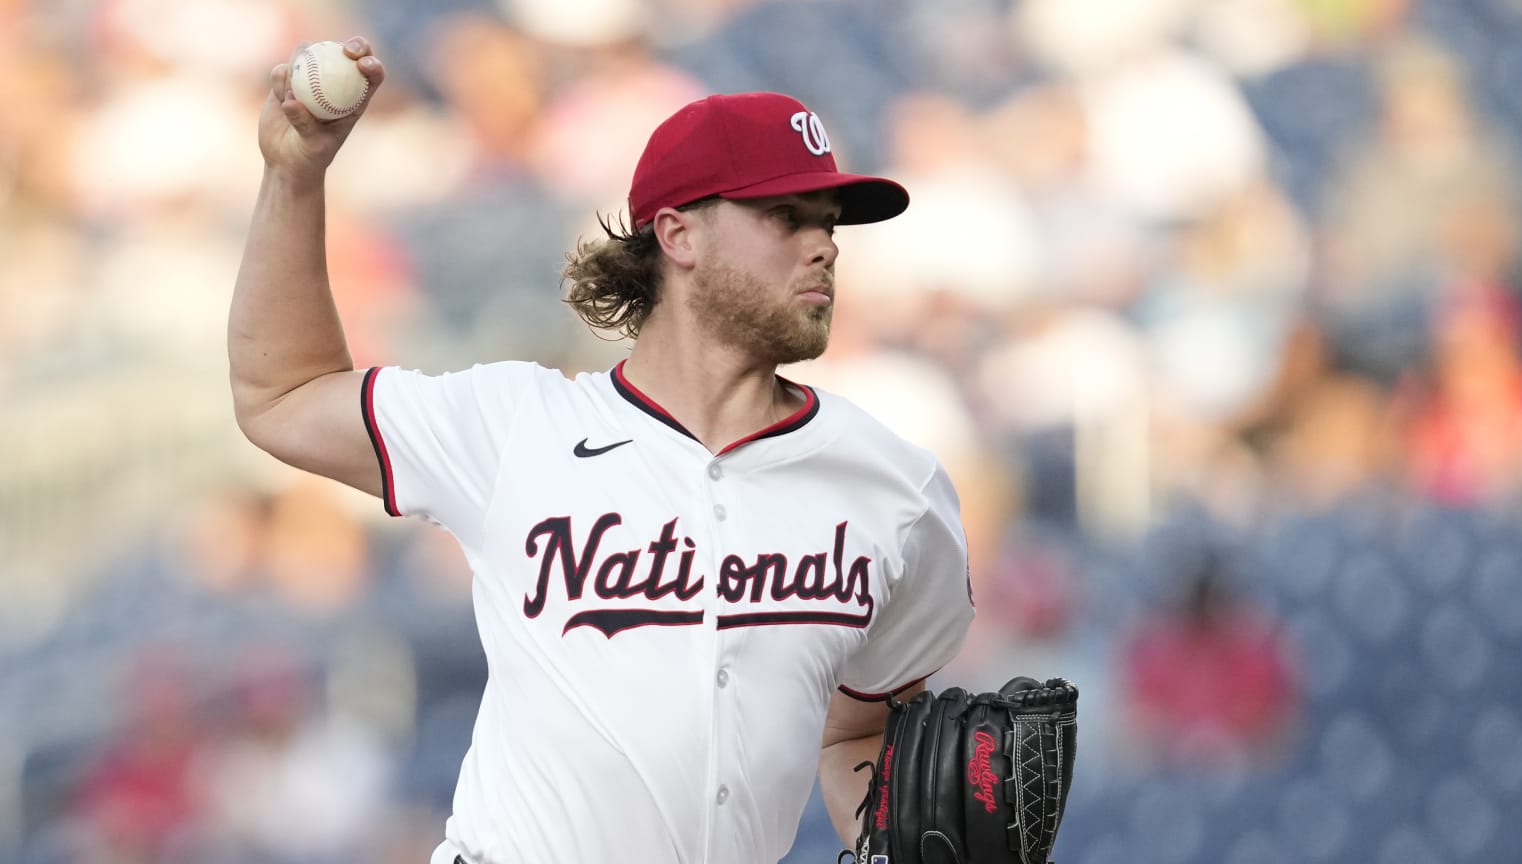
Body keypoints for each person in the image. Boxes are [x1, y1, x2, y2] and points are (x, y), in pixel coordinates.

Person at [229, 37, 976, 864]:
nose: (824, 246)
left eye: (828, 224)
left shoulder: (896, 488)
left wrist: (908, 842)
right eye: (785, 217)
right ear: (679, 235)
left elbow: (861, 730)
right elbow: (285, 397)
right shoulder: (517, 425)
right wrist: (293, 177)